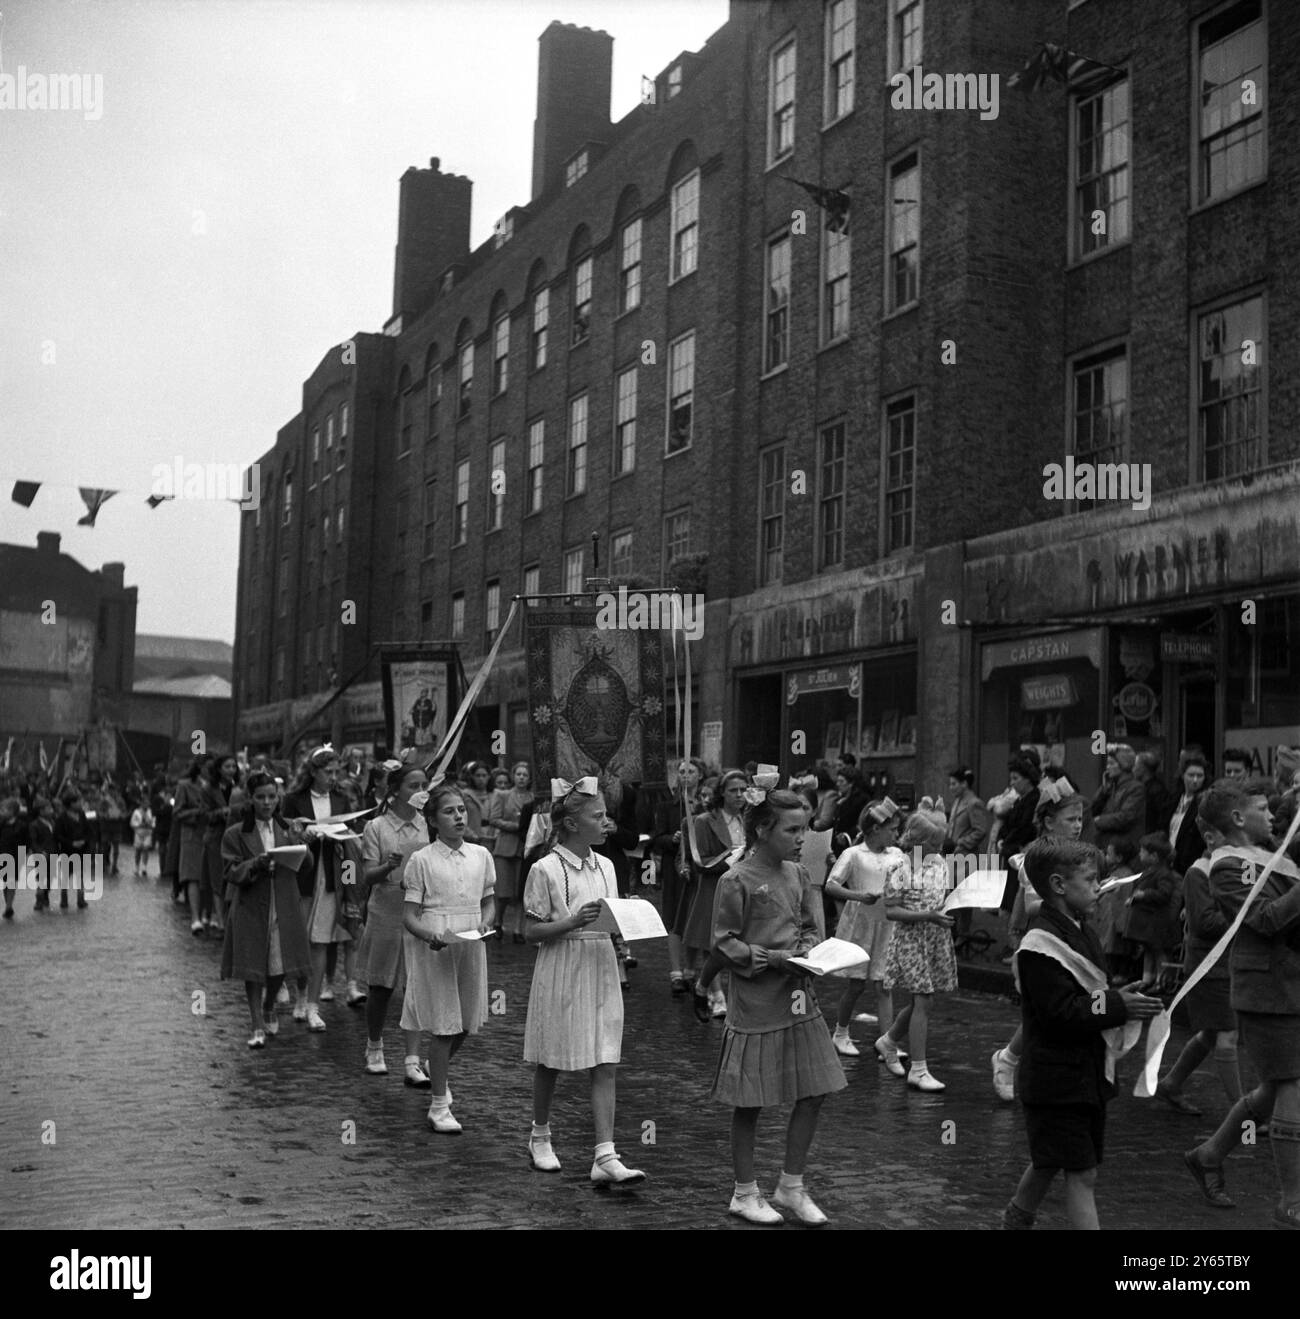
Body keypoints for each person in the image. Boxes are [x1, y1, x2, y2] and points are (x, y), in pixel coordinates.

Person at [1001, 837, 1163, 1229]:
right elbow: (1061, 1012)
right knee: (1081, 1172)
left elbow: (1089, 996)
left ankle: (1016, 1218)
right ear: (1058, 885)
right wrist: (1117, 1005)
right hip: (1056, 1078)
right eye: (1090, 880)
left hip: (1082, 1071)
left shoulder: (1082, 929)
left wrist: (1117, 998)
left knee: (1051, 1159)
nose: (1098, 887)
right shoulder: (1040, 946)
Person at [711, 786, 845, 1225]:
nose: (801, 837)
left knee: (815, 1089)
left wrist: (807, 951)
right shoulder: (736, 880)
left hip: (799, 996)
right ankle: (744, 1192)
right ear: (763, 829)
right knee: (750, 1100)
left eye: (804, 827)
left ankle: (791, 1184)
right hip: (756, 1000)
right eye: (792, 829)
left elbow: (811, 925)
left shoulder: (799, 874)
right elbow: (723, 942)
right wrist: (766, 958)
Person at [1184, 779, 1300, 1228]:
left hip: (1290, 985)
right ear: (1237, 819)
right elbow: (1265, 920)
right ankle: (1291, 1202)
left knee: (1274, 1089)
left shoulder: (1277, 858)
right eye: (1263, 809)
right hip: (1268, 992)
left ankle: (1209, 1155)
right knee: (1291, 1085)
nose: (1273, 817)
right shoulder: (1227, 868)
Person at [522, 777, 645, 1186]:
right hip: (562, 964)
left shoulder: (607, 864)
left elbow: (608, 918)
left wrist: (624, 924)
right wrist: (572, 921)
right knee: (551, 1057)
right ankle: (540, 1137)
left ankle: (605, 1154)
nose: (606, 822)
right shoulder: (545, 868)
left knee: (606, 1058)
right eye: (598, 816)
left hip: (601, 964)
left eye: (606, 814)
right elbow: (530, 931)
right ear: (572, 824)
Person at [401, 783, 496, 1134]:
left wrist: (487, 920)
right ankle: (439, 1105)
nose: (458, 816)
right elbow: (410, 916)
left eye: (461, 810)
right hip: (437, 945)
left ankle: (433, 1066)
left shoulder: (480, 855)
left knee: (467, 1021)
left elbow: (488, 899)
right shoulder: (421, 861)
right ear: (432, 819)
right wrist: (430, 935)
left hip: (471, 941)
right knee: (445, 1024)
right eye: (449, 811)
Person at [994, 780, 1087, 1100]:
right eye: (1070, 820)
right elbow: (1033, 905)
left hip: (1068, 938)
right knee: (1046, 1012)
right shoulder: (1038, 858)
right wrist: (1074, 899)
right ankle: (1009, 1060)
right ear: (1048, 822)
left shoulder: (1073, 854)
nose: (1078, 826)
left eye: (1080, 820)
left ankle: (1020, 1062)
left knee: (1057, 1011)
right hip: (1042, 943)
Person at [1155, 816, 1241, 1116]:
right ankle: (1243, 1115)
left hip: (1225, 962)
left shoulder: (1231, 869)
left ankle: (1172, 1082)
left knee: (1211, 1033)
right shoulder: (1199, 872)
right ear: (1211, 838)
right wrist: (1243, 909)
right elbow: (1205, 923)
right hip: (1209, 966)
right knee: (1227, 1036)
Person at [220, 770, 312, 1048]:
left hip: (284, 901)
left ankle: (270, 1003)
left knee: (281, 961)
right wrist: (256, 864)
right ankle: (256, 1021)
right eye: (260, 797)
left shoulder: (287, 828)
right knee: (253, 963)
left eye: (272, 796)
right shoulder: (236, 833)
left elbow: (306, 867)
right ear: (250, 799)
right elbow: (230, 870)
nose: (267, 802)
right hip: (251, 904)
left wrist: (301, 843)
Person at [357, 763, 432, 1084]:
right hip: (386, 907)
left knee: (415, 985)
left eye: (424, 785)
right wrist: (388, 866)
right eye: (413, 785)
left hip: (417, 908)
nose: (420, 791)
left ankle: (412, 1060)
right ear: (396, 790)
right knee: (381, 985)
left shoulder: (427, 824)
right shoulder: (376, 826)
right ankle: (374, 1045)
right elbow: (366, 876)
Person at [874, 810, 958, 1091]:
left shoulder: (940, 864)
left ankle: (888, 1041)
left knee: (923, 1000)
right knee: (923, 1000)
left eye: (940, 845)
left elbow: (940, 897)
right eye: (933, 845)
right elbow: (892, 910)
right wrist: (928, 915)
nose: (938, 850)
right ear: (917, 841)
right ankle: (919, 1070)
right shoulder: (899, 868)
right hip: (911, 940)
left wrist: (950, 908)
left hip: (934, 937)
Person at [282, 745, 363, 1030]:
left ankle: (314, 1006)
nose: (332, 777)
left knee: (320, 941)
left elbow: (351, 836)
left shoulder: (341, 800)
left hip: (330, 876)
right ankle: (300, 994)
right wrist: (303, 835)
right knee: (299, 940)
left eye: (336, 772)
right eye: (327, 772)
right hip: (302, 877)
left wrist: (342, 837)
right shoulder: (293, 799)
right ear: (313, 772)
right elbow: (284, 839)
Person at [824, 800, 902, 1057]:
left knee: (884, 984)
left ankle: (888, 1042)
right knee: (856, 984)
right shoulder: (854, 854)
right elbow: (832, 885)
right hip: (860, 924)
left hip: (887, 923)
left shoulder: (897, 855)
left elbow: (905, 882)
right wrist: (858, 895)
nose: (896, 835)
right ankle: (841, 1032)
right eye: (892, 829)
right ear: (875, 829)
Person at [684, 769, 749, 1020]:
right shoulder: (704, 821)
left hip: (744, 888)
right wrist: (732, 860)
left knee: (741, 940)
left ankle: (731, 993)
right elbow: (700, 861)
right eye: (733, 790)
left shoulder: (748, 819)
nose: (739, 795)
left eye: (743, 790)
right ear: (722, 792)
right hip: (715, 886)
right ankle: (716, 993)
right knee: (713, 943)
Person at [649, 757, 705, 992]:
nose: (685, 775)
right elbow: (656, 838)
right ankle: (675, 971)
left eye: (690, 771)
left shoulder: (705, 805)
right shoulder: (667, 807)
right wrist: (671, 839)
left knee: (694, 917)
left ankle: (691, 969)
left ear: (699, 775)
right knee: (673, 918)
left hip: (700, 869)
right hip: (676, 868)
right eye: (681, 771)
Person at [1122, 832, 1181, 987]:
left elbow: (1164, 893)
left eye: (1143, 851)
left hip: (1157, 922)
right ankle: (1147, 978)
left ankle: (1162, 980)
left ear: (1154, 856)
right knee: (1149, 950)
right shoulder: (1149, 871)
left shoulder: (1163, 873)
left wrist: (1144, 894)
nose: (1139, 854)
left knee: (1159, 951)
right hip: (1148, 923)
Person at [488, 760, 534, 943]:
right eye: (518, 774)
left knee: (521, 892)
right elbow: (494, 819)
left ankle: (518, 929)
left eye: (525, 775)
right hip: (505, 846)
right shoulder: (503, 795)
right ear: (513, 776)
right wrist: (516, 826)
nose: (521, 778)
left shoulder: (533, 797)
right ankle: (497, 922)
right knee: (503, 891)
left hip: (525, 848)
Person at [201, 755, 240, 934]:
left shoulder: (239, 788)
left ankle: (229, 915)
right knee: (217, 878)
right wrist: (220, 813)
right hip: (216, 837)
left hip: (235, 837)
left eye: (233, 766)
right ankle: (220, 918)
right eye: (227, 766)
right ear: (219, 769)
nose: (231, 770)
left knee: (232, 876)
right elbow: (205, 814)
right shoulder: (209, 789)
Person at [174, 758, 210, 934]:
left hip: (210, 833)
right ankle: (195, 918)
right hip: (191, 835)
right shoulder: (185, 786)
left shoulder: (215, 786)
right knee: (193, 876)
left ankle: (206, 913)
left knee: (207, 876)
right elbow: (178, 812)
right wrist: (197, 812)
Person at [1091, 744, 1145, 854]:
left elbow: (1125, 818)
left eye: (1111, 763)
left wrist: (1098, 821)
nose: (1107, 767)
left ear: (1123, 765)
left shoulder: (1136, 788)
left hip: (1124, 851)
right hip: (1107, 848)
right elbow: (1093, 809)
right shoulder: (1110, 787)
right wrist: (1103, 792)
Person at [1166, 753, 1209, 876]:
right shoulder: (1173, 799)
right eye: (1191, 775)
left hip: (1189, 863)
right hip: (1168, 860)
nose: (1195, 780)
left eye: (1200, 776)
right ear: (1183, 776)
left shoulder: (1204, 801)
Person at [53, 787, 94, 910]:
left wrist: (86, 842)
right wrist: (71, 843)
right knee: (66, 875)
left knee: (80, 875)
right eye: (78, 802)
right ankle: (64, 899)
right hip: (67, 851)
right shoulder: (62, 818)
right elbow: (57, 835)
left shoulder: (82, 815)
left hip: (82, 851)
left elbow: (89, 831)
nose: (80, 804)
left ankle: (81, 899)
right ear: (71, 804)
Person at [1136, 751, 1173, 835]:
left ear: (1143, 769)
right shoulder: (1141, 787)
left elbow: (1162, 818)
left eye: (1135, 765)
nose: (1133, 768)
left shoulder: (1157, 790)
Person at [28, 796, 54, 912]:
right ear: (41, 811)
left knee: (51, 877)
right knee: (42, 877)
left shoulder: (53, 822)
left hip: (53, 854)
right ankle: (39, 898)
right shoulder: (34, 825)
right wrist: (39, 851)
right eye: (48, 808)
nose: (51, 810)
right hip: (41, 855)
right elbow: (32, 841)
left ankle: (45, 894)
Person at [1, 797, 24, 919]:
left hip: (16, 856)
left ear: (13, 811)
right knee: (6, 881)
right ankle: (8, 904)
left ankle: (9, 905)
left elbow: (26, 840)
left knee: (12, 880)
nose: (2, 812)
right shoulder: (2, 824)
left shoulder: (21, 825)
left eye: (4, 810)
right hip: (3, 855)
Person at [130, 799, 155, 876]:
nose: (146, 805)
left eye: (147, 803)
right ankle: (137, 867)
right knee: (138, 851)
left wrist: (151, 825)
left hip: (147, 833)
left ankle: (144, 868)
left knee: (146, 850)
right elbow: (132, 822)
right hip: (138, 833)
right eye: (145, 803)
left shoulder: (151, 812)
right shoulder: (136, 812)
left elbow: (154, 822)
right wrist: (139, 825)